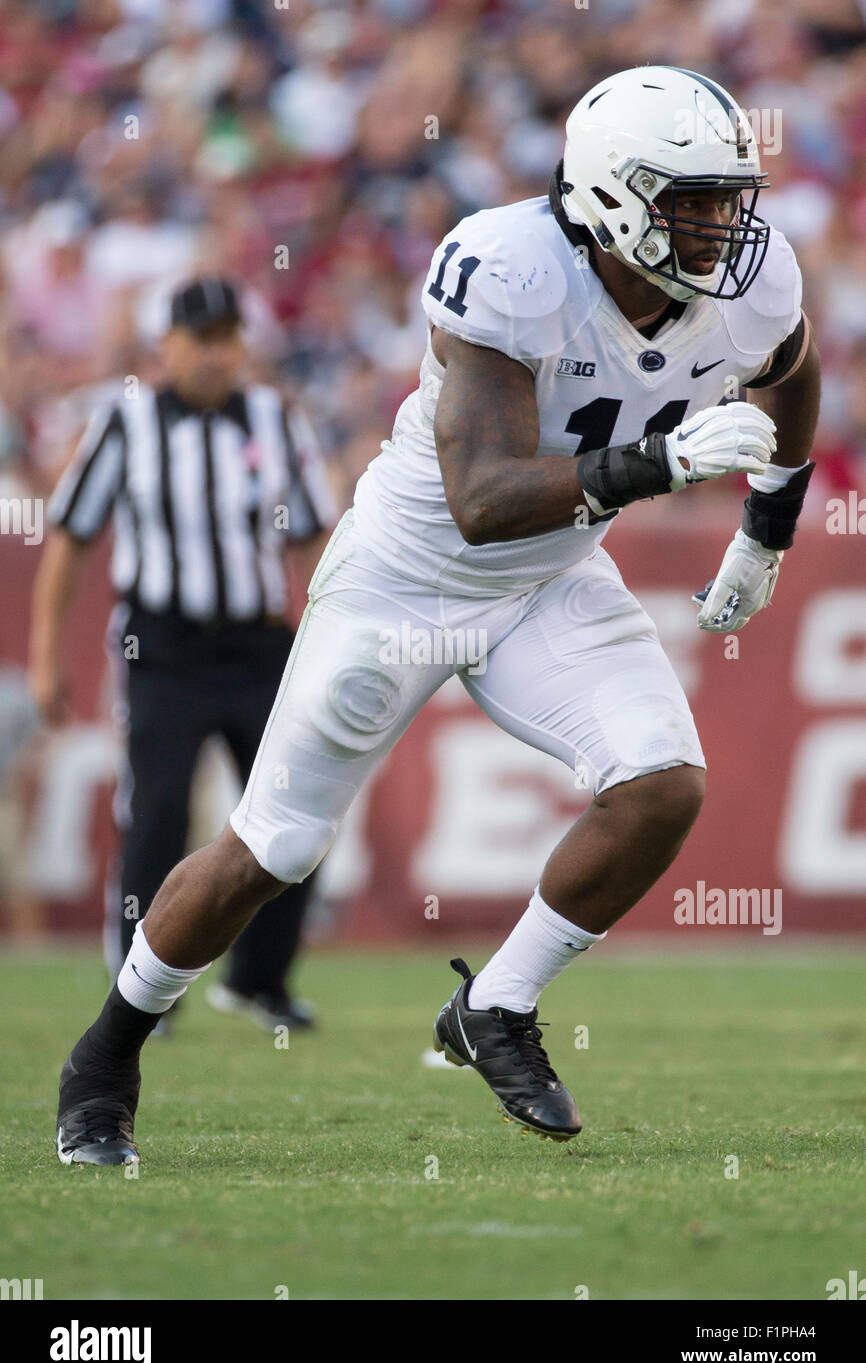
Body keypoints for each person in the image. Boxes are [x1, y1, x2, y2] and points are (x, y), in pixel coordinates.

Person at [54, 67, 819, 1165]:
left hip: (549, 578)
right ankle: (107, 1052)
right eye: (688, 200)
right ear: (610, 193)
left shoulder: (750, 281)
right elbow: (484, 498)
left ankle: (493, 1008)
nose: (718, 227)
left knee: (659, 784)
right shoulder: (509, 265)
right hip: (408, 576)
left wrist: (766, 528)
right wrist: (658, 458)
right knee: (272, 846)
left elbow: (790, 373)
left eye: (726, 198)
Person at [30, 277, 335, 1041]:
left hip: (261, 645)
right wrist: (44, 656)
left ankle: (260, 981)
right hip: (162, 647)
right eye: (201, 338)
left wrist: (336, 643)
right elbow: (69, 536)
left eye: (229, 338)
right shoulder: (126, 422)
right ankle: (144, 990)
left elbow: (312, 540)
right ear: (166, 346)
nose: (216, 354)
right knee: (158, 815)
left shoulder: (273, 419)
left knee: (297, 811)